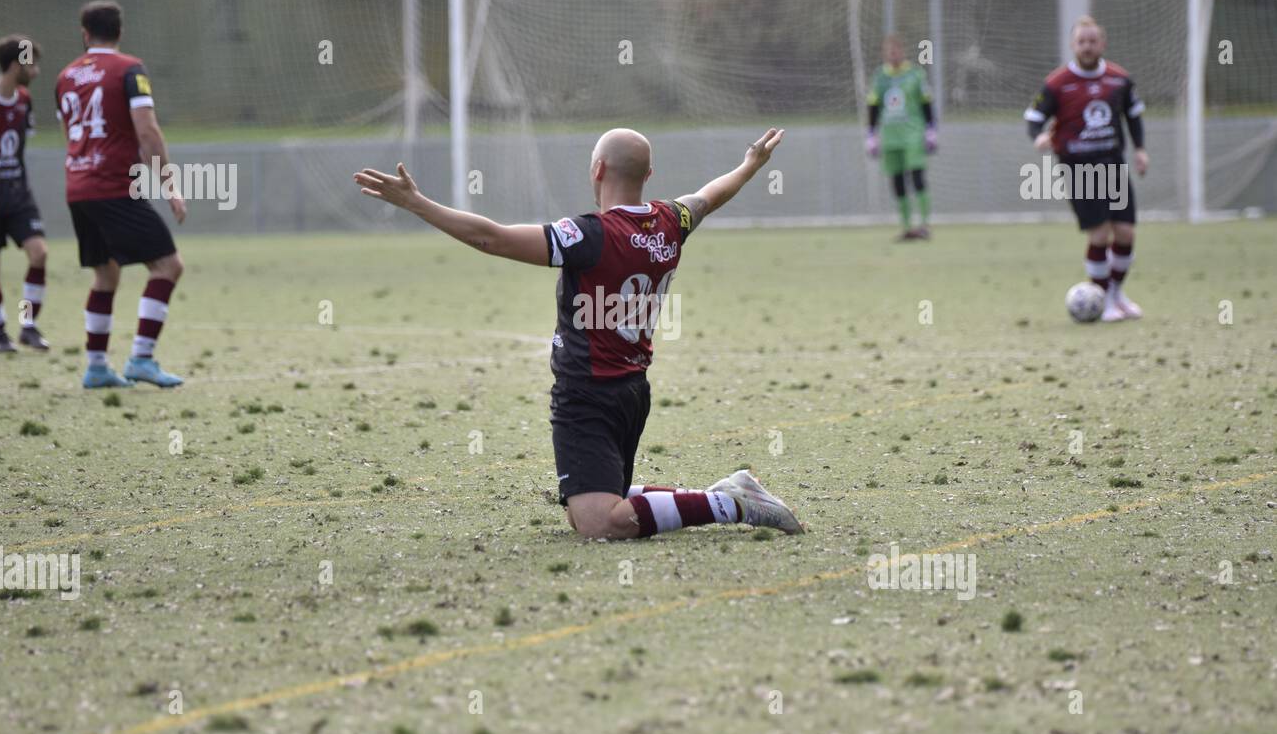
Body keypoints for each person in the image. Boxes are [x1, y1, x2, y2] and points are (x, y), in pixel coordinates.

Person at [354, 128, 804, 539]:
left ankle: (731, 503)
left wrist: (417, 203)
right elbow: (709, 196)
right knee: (586, 509)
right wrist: (748, 166)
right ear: (648, 174)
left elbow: (492, 238)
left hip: (587, 394)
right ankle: (726, 491)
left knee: (598, 523)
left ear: (598, 169)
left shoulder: (590, 235)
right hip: (632, 392)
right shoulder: (671, 221)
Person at [54, 0, 186, 387]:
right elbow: (147, 131)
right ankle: (141, 359)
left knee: (105, 275)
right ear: (120, 32)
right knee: (168, 266)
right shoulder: (130, 69)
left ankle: (96, 367)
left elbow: (69, 137)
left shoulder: (65, 76)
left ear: (85, 33)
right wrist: (170, 186)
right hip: (113, 185)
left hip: (78, 187)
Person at [1026, 15, 1147, 322]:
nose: (1087, 47)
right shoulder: (1057, 83)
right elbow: (1034, 116)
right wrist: (1039, 135)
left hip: (1113, 163)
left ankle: (1116, 294)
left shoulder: (1119, 79)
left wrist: (1140, 150)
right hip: (1079, 166)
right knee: (1100, 233)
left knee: (1125, 232)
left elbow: (1133, 116)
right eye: (1082, 41)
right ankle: (1102, 299)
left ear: (1102, 43)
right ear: (1073, 45)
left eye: (1093, 41)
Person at [0, 34, 50, 352]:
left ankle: (27, 325)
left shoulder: (24, 100)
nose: (35, 71)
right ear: (14, 65)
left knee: (39, 253)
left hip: (18, 194)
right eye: (31, 64)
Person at [866, 35, 937, 240]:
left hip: (913, 134)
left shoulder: (915, 74)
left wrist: (931, 130)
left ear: (902, 52)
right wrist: (871, 134)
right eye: (889, 51)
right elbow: (873, 106)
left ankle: (925, 225)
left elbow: (926, 103)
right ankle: (906, 227)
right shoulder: (879, 76)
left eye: (895, 51)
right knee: (897, 181)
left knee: (917, 177)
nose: (892, 55)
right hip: (890, 138)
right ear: (884, 54)